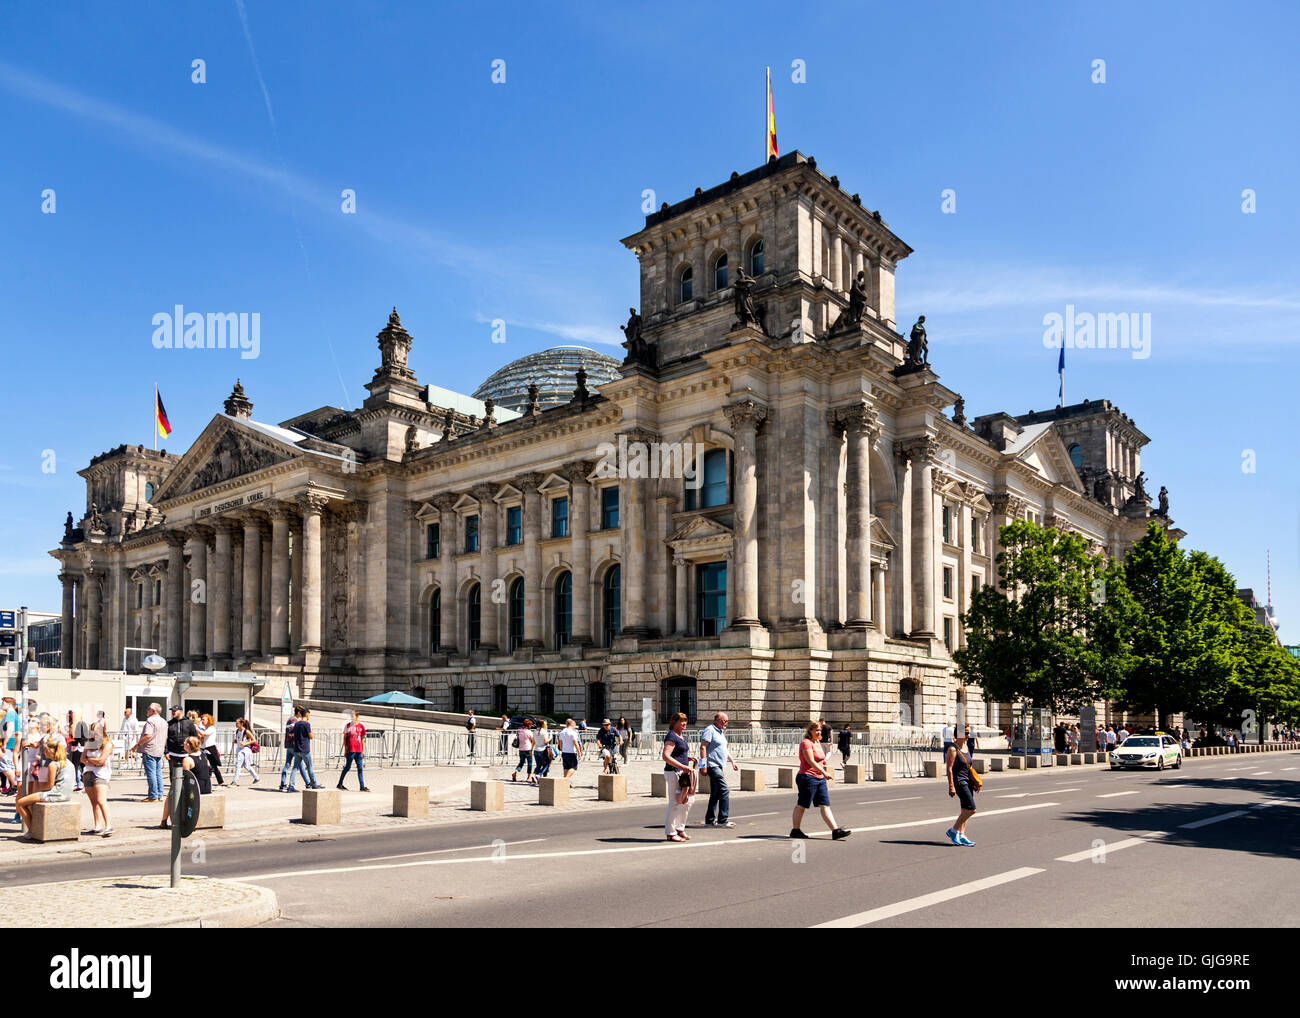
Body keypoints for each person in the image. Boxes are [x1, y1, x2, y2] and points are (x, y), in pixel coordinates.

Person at [792, 721, 850, 840]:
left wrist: (823, 764)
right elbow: (810, 761)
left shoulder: (817, 741)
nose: (818, 732)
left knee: (825, 805)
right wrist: (824, 772)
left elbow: (820, 758)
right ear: (810, 731)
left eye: (819, 730)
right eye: (816, 730)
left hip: (819, 778)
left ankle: (835, 831)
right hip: (807, 777)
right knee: (802, 805)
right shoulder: (806, 743)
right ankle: (795, 830)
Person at [16, 735, 72, 835]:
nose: (44, 753)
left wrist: (40, 789)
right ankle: (35, 828)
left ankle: (32, 831)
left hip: (55, 794)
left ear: (51, 751)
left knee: (20, 803)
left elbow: (49, 786)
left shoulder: (53, 765)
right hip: (66, 794)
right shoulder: (68, 763)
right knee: (30, 803)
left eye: (45, 751)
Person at [161, 735, 210, 829]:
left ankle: (163, 821)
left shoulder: (187, 759)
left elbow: (185, 778)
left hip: (195, 789)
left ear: (188, 745)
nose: (183, 744)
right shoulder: (203, 756)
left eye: (184, 743)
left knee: (170, 795)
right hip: (206, 787)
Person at [699, 712, 738, 828]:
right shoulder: (710, 730)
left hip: (719, 765)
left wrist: (732, 761)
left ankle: (710, 820)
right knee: (725, 790)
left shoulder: (720, 732)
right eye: (724, 721)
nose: (726, 723)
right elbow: (703, 747)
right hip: (712, 765)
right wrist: (702, 765)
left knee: (715, 793)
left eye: (727, 721)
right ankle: (723, 819)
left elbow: (723, 749)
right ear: (717, 720)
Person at [662, 712, 696, 842]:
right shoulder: (671, 736)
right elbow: (666, 756)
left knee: (687, 801)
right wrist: (682, 766)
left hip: (682, 773)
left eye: (685, 721)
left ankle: (680, 828)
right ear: (674, 722)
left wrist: (688, 758)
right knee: (676, 802)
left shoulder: (680, 736)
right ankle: (670, 832)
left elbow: (677, 753)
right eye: (681, 721)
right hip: (673, 773)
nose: (684, 723)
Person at [945, 729, 980, 846]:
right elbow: (949, 769)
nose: (968, 735)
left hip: (968, 781)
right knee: (971, 809)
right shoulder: (953, 749)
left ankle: (962, 834)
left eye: (968, 732)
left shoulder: (966, 747)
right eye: (966, 733)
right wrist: (951, 786)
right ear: (959, 734)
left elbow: (969, 766)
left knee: (964, 809)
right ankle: (953, 830)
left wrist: (974, 782)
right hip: (959, 782)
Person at [81, 719, 113, 837]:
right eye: (92, 732)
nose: (94, 734)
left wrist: (90, 761)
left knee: (101, 800)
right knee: (93, 802)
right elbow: (82, 759)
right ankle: (97, 826)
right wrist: (94, 762)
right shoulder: (89, 744)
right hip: (88, 773)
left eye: (96, 732)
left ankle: (108, 826)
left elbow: (102, 761)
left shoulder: (107, 744)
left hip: (101, 775)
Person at [132, 703, 167, 802]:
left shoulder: (150, 721)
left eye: (148, 709)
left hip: (150, 749)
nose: (147, 711)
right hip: (159, 749)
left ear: (153, 711)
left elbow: (148, 735)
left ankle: (153, 795)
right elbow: (165, 737)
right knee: (158, 773)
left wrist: (137, 745)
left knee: (151, 773)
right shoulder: (163, 721)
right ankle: (159, 794)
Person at [290, 708, 324, 790]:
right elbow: (311, 736)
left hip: (297, 749)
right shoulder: (307, 724)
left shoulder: (297, 723)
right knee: (309, 767)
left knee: (295, 768)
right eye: (309, 714)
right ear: (307, 714)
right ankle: (314, 784)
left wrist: (298, 736)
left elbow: (291, 734)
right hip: (305, 749)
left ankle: (291, 786)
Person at [338, 709, 369, 790]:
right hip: (350, 750)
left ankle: (362, 786)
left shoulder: (361, 726)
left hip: (359, 751)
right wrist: (345, 749)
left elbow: (362, 739)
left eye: (353, 716)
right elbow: (344, 738)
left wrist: (363, 750)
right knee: (347, 767)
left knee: (360, 769)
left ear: (357, 716)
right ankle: (340, 783)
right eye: (351, 716)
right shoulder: (347, 726)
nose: (352, 717)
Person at [228, 718, 260, 786]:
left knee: (238, 765)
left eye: (237, 723)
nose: (236, 724)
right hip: (239, 749)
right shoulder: (237, 731)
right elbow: (239, 740)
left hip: (245, 750)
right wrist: (236, 741)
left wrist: (245, 744)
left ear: (241, 724)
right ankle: (256, 778)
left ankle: (234, 781)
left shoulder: (246, 731)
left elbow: (254, 740)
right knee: (246, 766)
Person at [196, 713, 224, 786]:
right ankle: (206, 782)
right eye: (201, 719)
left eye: (203, 719)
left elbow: (204, 734)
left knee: (213, 766)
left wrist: (196, 728)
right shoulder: (205, 728)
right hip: (204, 748)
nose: (202, 721)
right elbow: (202, 737)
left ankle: (220, 782)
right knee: (206, 766)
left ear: (208, 720)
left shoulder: (211, 728)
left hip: (210, 749)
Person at [279, 706, 302, 791]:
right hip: (293, 745)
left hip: (288, 745)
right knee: (296, 766)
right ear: (298, 712)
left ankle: (282, 783)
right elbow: (291, 733)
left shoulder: (290, 719)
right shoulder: (294, 720)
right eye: (301, 712)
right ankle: (290, 785)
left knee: (287, 764)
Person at [66, 710, 89, 792]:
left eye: (71, 715)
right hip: (79, 747)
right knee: (81, 766)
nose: (70, 716)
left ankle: (80, 784)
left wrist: (71, 741)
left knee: (76, 766)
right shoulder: (80, 724)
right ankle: (82, 784)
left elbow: (78, 738)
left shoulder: (79, 724)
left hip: (78, 747)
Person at [0, 697, 19, 795]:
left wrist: (5, 743)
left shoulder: (10, 714)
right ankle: (14, 786)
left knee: (4, 765)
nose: (1, 704)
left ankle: (15, 785)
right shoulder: (12, 714)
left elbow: (10, 728)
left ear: (9, 704)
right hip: (11, 742)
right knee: (9, 765)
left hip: (9, 743)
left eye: (3, 702)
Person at [512, 718, 536, 784]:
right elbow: (532, 740)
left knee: (521, 762)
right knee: (529, 763)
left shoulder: (519, 731)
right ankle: (528, 777)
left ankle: (516, 771)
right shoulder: (529, 732)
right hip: (528, 749)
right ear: (529, 725)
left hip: (521, 749)